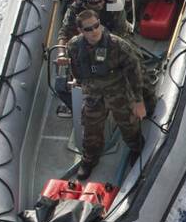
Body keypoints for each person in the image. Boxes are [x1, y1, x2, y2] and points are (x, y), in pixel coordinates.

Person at [67, 10, 156, 180]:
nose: (94, 31)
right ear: (80, 31)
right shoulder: (73, 46)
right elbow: (76, 69)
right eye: (88, 29)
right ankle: (89, 159)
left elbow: (135, 72)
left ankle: (136, 148)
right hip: (93, 92)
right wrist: (82, 83)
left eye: (96, 25)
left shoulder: (118, 45)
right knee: (91, 129)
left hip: (117, 90)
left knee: (129, 124)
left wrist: (138, 101)